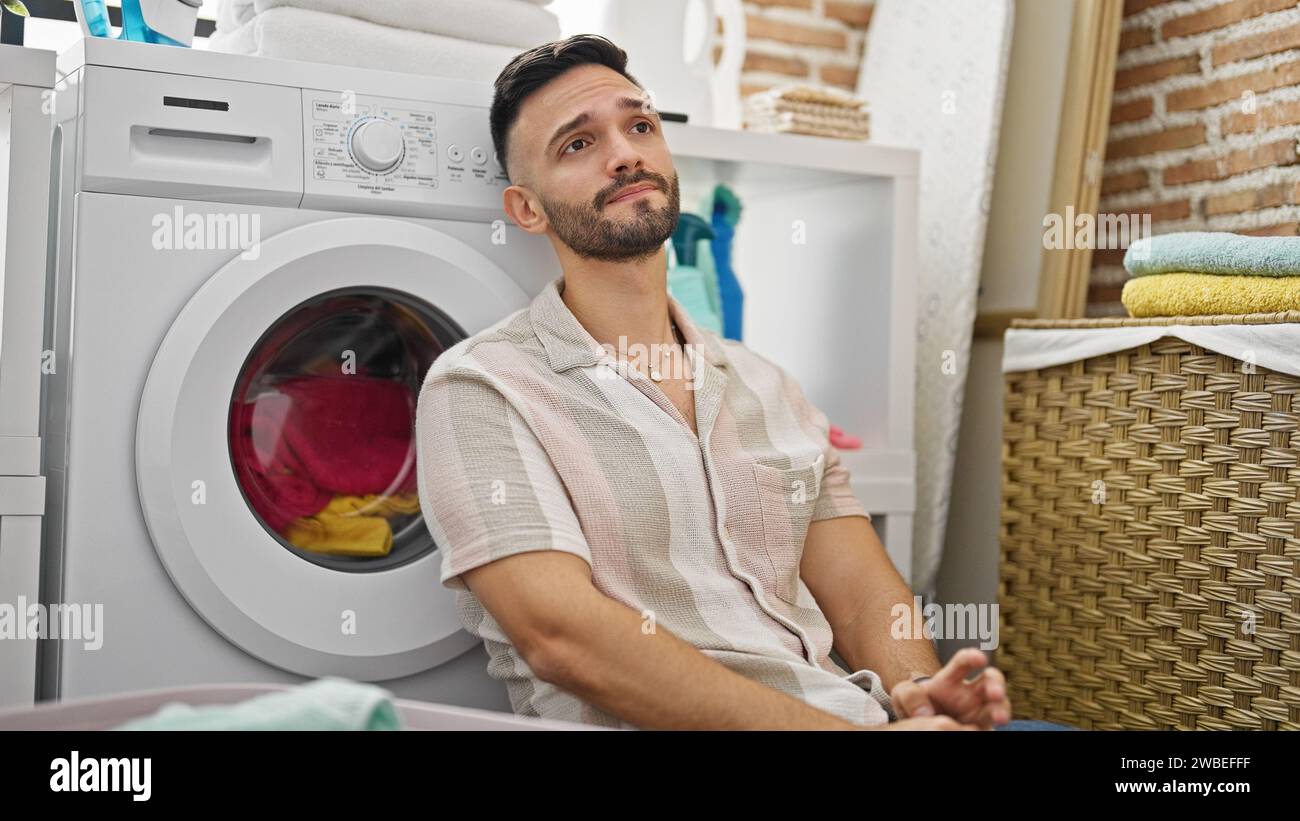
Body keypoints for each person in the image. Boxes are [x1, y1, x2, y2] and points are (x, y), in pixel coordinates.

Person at [414, 34, 1013, 730]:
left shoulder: (767, 384)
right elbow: (563, 639)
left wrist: (918, 691)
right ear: (527, 209)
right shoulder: (483, 389)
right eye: (577, 144)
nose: (625, 153)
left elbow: (857, 594)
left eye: (640, 125)